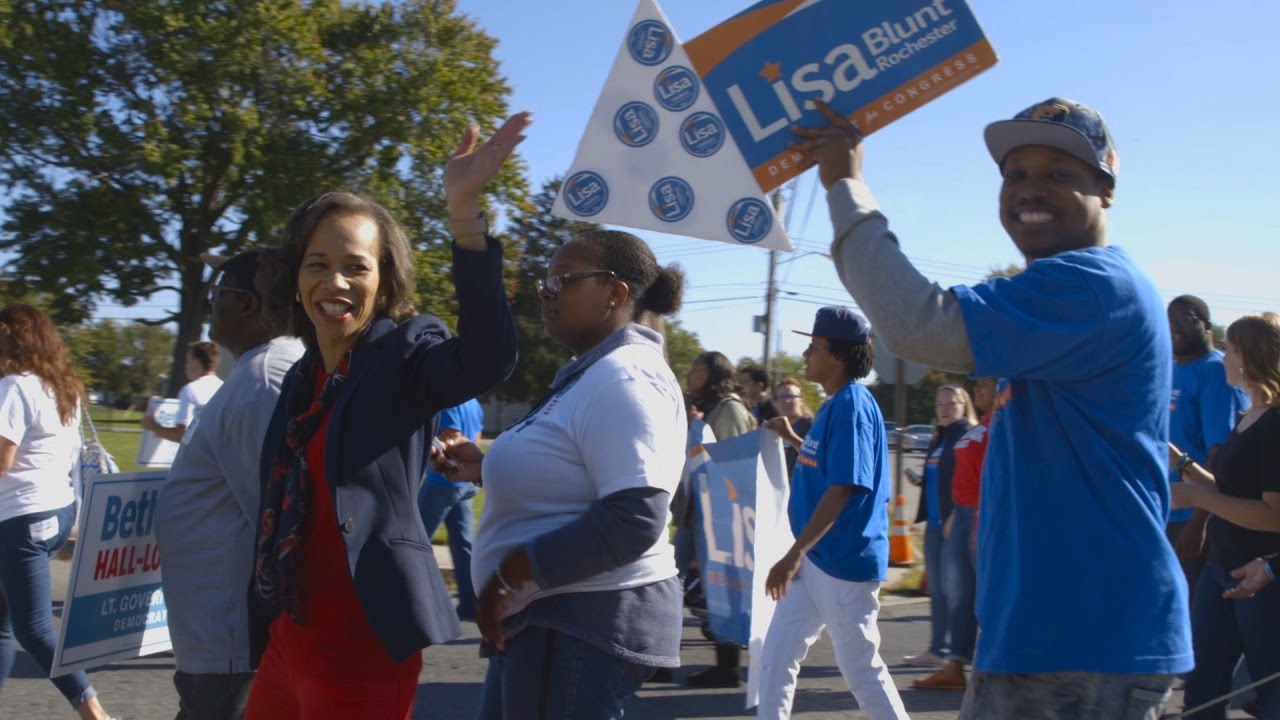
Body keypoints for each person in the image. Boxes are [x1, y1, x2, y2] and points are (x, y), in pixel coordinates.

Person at [794, 96, 1191, 716]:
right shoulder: (1062, 297)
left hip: (1083, 642)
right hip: (1046, 640)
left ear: (1105, 185)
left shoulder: (1092, 286)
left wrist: (845, 184)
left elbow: (916, 324)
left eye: (1059, 173)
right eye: (1016, 173)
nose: (1030, 189)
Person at [242, 111, 527, 720]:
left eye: (355, 265)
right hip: (288, 633)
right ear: (296, 279)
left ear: (385, 278)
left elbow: (488, 356)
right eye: (317, 264)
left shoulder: (405, 350)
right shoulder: (301, 375)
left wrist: (465, 212)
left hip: (363, 642)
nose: (334, 281)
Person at [433, 229, 688, 719]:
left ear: (615, 293)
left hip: (578, 624)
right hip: (550, 623)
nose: (546, 291)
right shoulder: (595, 372)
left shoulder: (625, 374)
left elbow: (634, 518)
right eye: (545, 281)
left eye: (563, 280)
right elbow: (575, 476)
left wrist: (511, 575)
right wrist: (486, 467)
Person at [155, 251, 305, 720]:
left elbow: (272, 515)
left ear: (245, 303)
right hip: (218, 629)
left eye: (216, 295)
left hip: (230, 634)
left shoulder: (263, 380)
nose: (209, 307)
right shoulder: (259, 371)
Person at [757, 305, 908, 720]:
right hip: (818, 558)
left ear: (837, 356)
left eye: (813, 346)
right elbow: (824, 466)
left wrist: (792, 556)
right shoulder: (835, 404)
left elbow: (843, 487)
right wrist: (791, 438)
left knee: (861, 669)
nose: (805, 354)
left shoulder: (852, 405)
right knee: (776, 656)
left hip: (841, 562)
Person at [0, 303, 116, 720]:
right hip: (56, 511)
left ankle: (94, 711)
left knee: (33, 631)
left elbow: (2, 459)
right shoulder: (59, 384)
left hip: (21, 518)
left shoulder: (14, 385)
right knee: (3, 623)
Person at [1169, 312, 1280, 719]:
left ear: (1251, 357)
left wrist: (1198, 498)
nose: (1223, 356)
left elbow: (1273, 516)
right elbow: (1229, 492)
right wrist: (1181, 463)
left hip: (1262, 578)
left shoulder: (1276, 423)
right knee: (1200, 688)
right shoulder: (1250, 416)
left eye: (1230, 348)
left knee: (1270, 695)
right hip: (1221, 568)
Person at [915, 377, 996, 691]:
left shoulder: (999, 426)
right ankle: (954, 664)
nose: (980, 389)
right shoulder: (979, 428)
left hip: (975, 514)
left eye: (987, 385)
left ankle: (988, 665)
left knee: (977, 593)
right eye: (977, 386)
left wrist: (973, 515)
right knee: (957, 592)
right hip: (962, 514)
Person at [1167, 294, 1250, 599]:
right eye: (1169, 318)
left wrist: (1198, 522)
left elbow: (1222, 453)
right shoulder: (1172, 369)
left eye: (1183, 317)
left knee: (1196, 617)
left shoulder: (1214, 371)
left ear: (1205, 325)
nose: (1173, 325)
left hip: (1196, 519)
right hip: (1168, 511)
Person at [685, 350, 756, 688]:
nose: (690, 372)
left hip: (716, 516)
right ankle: (661, 660)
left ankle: (727, 667)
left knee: (719, 590)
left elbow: (727, 467)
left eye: (697, 367)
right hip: (695, 512)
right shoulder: (711, 409)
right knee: (679, 585)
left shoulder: (728, 409)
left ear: (713, 373)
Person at [907, 385, 976, 685]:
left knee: (956, 592)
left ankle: (956, 653)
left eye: (952, 402)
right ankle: (938, 649)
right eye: (940, 403)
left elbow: (966, 481)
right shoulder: (940, 437)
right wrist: (920, 480)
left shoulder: (965, 435)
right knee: (936, 589)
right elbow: (941, 477)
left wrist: (954, 515)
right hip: (933, 525)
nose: (945, 408)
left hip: (954, 523)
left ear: (964, 405)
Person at [418, 397, 485, 621]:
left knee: (414, 539)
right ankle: (470, 604)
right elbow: (476, 438)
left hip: (442, 482)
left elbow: (450, 436)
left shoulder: (449, 400)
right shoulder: (473, 403)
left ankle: (415, 603)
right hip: (465, 482)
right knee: (463, 544)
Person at [142, 341, 223, 443]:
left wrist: (153, 426)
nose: (185, 366)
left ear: (196, 361)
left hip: (198, 457)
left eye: (187, 361)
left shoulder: (191, 390)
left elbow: (182, 435)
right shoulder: (225, 388)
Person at [774, 377, 814, 481]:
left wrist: (790, 437)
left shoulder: (813, 427)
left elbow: (816, 457)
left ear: (801, 400)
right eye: (782, 397)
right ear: (776, 402)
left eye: (791, 396)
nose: (787, 401)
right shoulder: (774, 429)